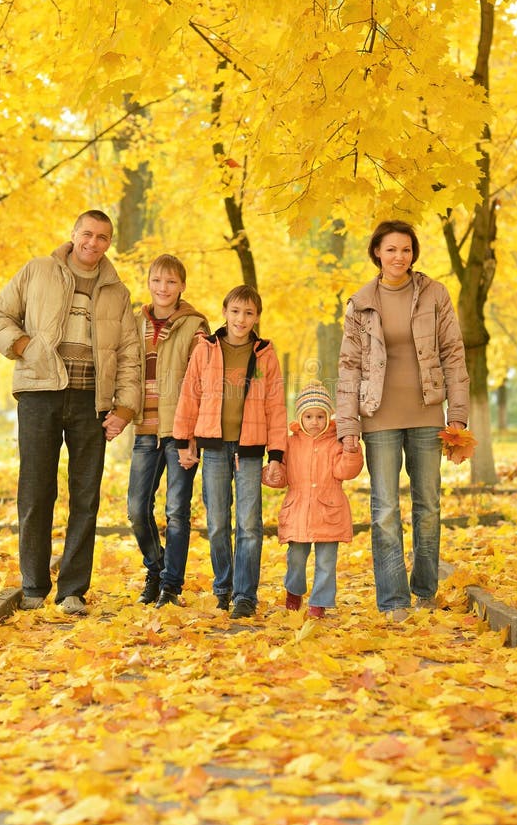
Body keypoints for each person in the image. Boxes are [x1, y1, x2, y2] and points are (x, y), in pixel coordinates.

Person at [0, 210, 141, 616]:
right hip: (40, 393)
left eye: (102, 237)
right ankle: (34, 584)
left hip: (92, 401)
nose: (93, 242)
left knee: (86, 496)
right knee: (36, 491)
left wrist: (124, 407)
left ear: (110, 242)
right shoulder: (38, 270)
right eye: (87, 234)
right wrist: (22, 347)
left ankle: (73, 589)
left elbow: (129, 354)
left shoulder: (117, 291)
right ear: (73, 234)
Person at [336, 220, 469, 621]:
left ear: (414, 253)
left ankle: (425, 590)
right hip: (378, 417)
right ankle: (393, 600)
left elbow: (453, 353)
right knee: (385, 510)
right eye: (391, 249)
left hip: (427, 413)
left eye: (406, 250)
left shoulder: (434, 294)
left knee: (428, 505)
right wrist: (347, 426)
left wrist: (458, 414)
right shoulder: (360, 303)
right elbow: (348, 366)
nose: (399, 257)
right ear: (377, 252)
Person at [174, 285, 287, 619]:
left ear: (257, 318)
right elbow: (189, 395)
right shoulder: (206, 349)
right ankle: (223, 588)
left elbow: (276, 404)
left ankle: (245, 595)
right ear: (224, 312)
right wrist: (183, 439)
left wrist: (277, 453)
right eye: (236, 311)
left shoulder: (265, 354)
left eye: (249, 313)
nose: (241, 319)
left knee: (250, 524)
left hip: (250, 449)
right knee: (218, 521)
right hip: (213, 447)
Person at [127, 254, 210, 608]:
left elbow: (205, 382)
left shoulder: (196, 326)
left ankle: (170, 586)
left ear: (182, 287)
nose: (164, 288)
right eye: (158, 280)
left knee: (177, 509)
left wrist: (192, 435)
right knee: (136, 508)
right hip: (145, 428)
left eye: (171, 282)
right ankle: (155, 568)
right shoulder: (134, 324)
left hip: (180, 431)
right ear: (149, 283)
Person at [263, 381, 363, 619]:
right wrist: (269, 474)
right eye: (309, 416)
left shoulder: (335, 442)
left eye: (320, 416)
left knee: (326, 562)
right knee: (296, 558)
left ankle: (319, 602)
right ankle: (294, 591)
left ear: (328, 417)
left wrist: (351, 452)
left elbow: (344, 472)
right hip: (298, 511)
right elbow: (282, 476)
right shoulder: (290, 443)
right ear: (301, 417)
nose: (315, 421)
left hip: (329, 511)